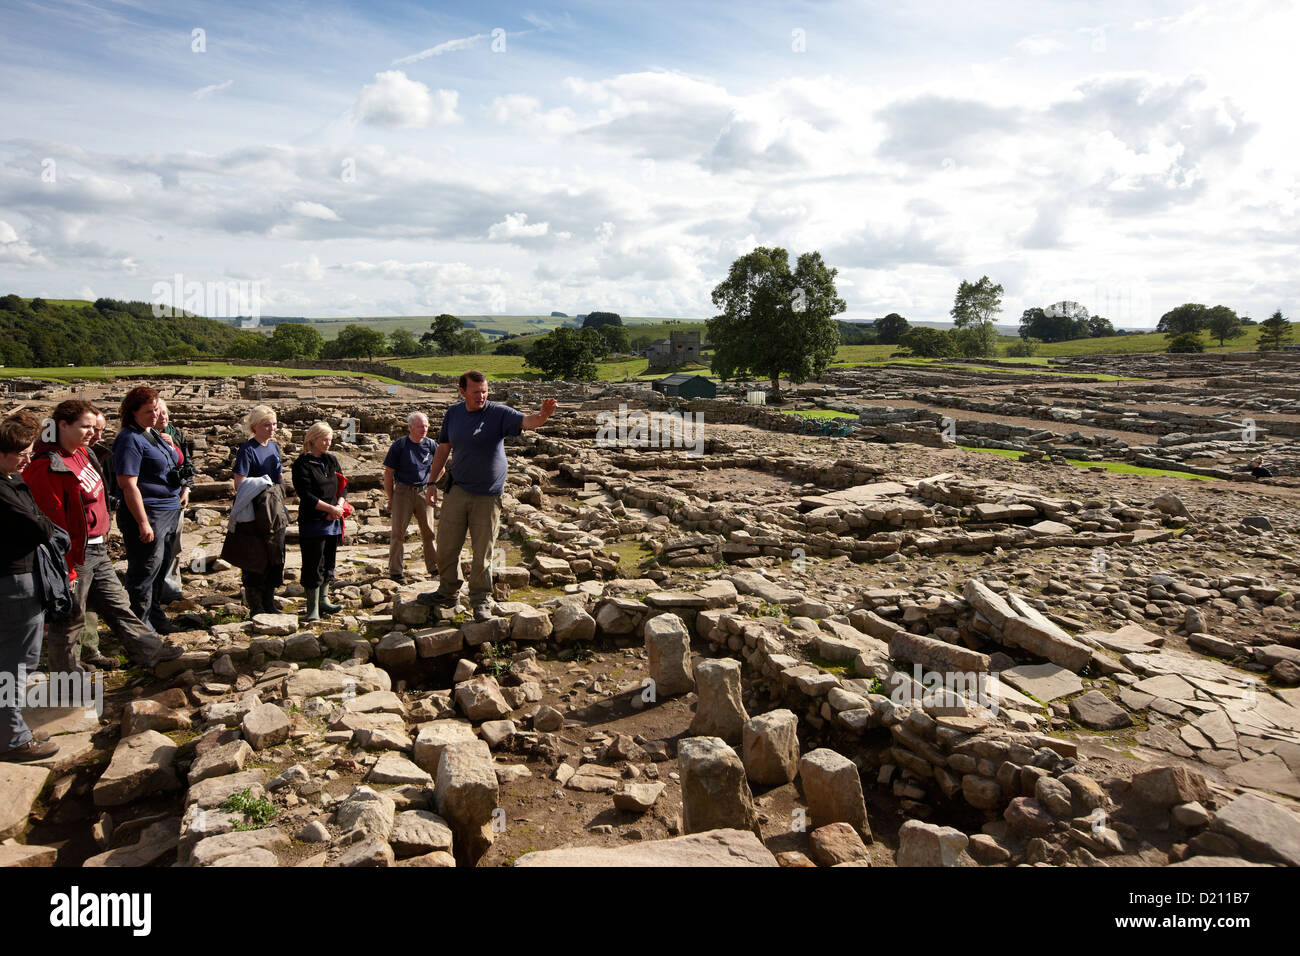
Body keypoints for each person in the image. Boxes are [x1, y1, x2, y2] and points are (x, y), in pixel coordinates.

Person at [24, 400, 178, 673]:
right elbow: (50, 521)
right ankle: (66, 674)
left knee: (117, 604)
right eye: (85, 427)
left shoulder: (84, 453)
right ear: (62, 425)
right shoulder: (47, 466)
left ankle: (150, 651)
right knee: (71, 616)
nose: (92, 433)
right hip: (74, 553)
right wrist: (65, 563)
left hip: (97, 547)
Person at [419, 371, 556, 621]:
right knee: (447, 545)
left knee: (483, 550)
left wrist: (543, 415)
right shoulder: (454, 413)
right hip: (458, 489)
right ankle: (447, 590)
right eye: (475, 392)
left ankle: (480, 599)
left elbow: (528, 421)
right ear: (462, 392)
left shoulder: (498, 413)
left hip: (488, 494)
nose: (481, 396)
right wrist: (431, 482)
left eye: (484, 391)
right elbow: (444, 448)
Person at [0, 415, 61, 761]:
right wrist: (42, 521)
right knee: (17, 661)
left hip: (12, 577)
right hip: (14, 581)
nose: (28, 459)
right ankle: (12, 739)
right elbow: (38, 526)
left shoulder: (9, 480)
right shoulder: (4, 489)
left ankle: (9, 727)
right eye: (21, 453)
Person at [112, 386, 184, 635]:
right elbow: (127, 484)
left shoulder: (151, 433)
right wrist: (142, 522)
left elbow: (174, 462)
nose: (154, 415)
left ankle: (155, 617)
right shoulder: (129, 439)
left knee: (160, 569)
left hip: (169, 508)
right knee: (144, 571)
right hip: (150, 511)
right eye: (148, 412)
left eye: (156, 410)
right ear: (132, 412)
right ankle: (140, 629)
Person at [232, 405, 284, 613]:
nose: (271, 429)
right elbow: (240, 483)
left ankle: (269, 602)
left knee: (274, 555)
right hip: (255, 511)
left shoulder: (275, 448)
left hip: (274, 509)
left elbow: (279, 477)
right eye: (266, 425)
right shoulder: (247, 449)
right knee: (255, 557)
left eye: (274, 424)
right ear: (254, 427)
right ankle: (256, 606)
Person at [292, 422, 345, 621]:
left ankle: (324, 600)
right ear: (312, 439)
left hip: (333, 520)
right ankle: (311, 608)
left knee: (328, 561)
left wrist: (338, 507)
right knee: (313, 563)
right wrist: (330, 509)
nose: (328, 443)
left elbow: (343, 486)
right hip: (313, 521)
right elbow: (306, 494)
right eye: (324, 439)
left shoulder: (331, 460)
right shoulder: (302, 464)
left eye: (330, 439)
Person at [383, 411, 437, 583]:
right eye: (421, 426)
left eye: (426, 426)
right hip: (403, 492)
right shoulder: (399, 445)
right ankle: (395, 571)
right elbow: (388, 473)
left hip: (423, 491)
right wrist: (391, 498)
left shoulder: (431, 445)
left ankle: (434, 567)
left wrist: (432, 484)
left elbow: (440, 466)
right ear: (411, 427)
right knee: (398, 532)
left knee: (429, 531)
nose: (424, 429)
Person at [154, 399, 193, 605]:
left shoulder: (176, 434)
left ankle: (170, 588)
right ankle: (154, 592)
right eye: (158, 413)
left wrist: (186, 489)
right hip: (155, 504)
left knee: (174, 546)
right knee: (155, 549)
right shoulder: (141, 438)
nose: (163, 417)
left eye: (165, 413)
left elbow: (187, 465)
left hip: (176, 498)